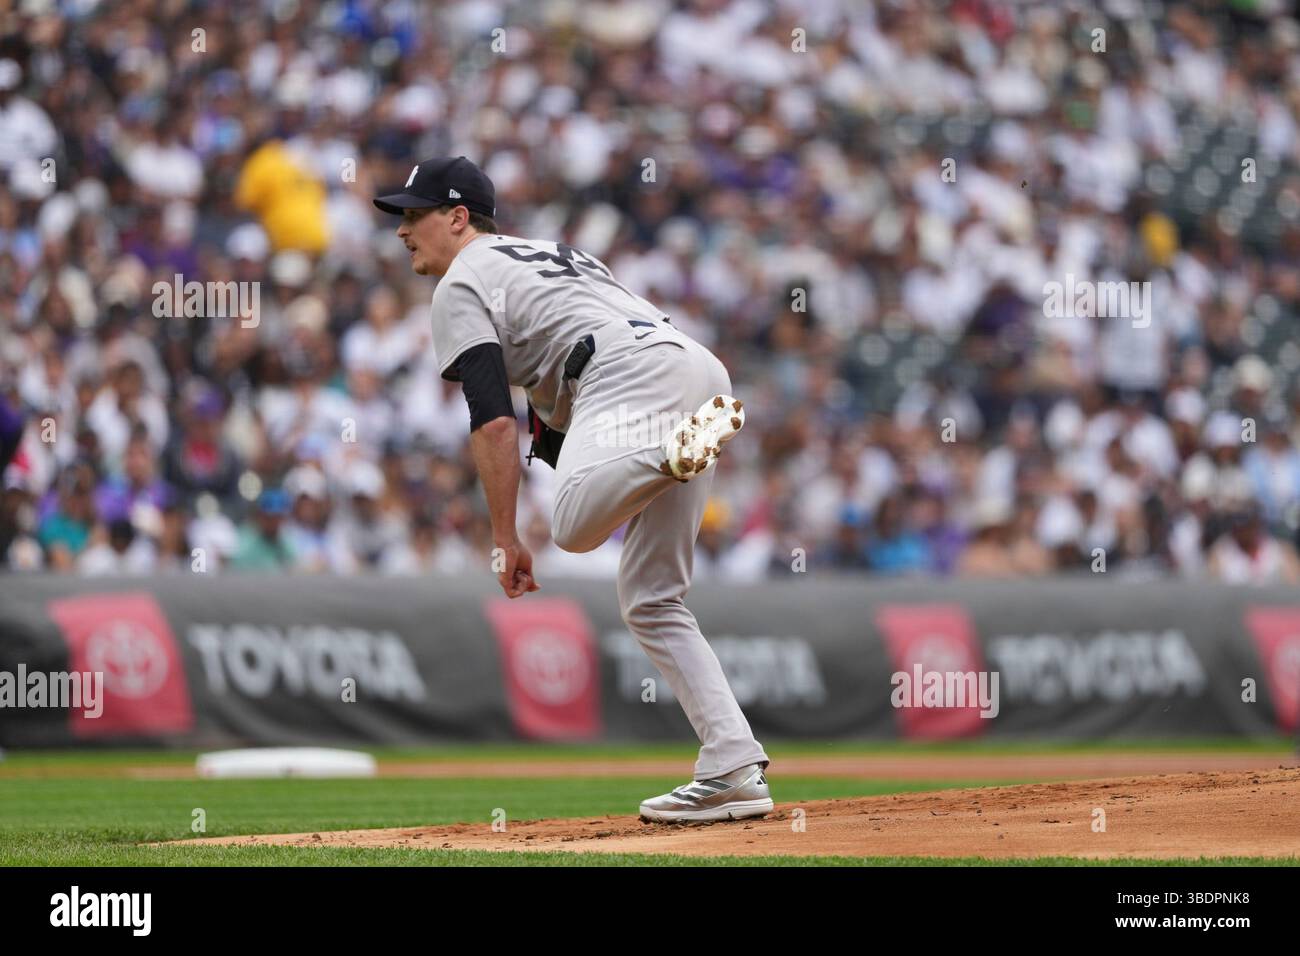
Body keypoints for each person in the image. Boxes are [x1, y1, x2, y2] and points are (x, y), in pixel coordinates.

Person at [374, 156, 771, 822]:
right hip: (696, 368)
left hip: (624, 376)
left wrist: (504, 537)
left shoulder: (461, 281)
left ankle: (669, 456)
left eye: (414, 214)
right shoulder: (555, 253)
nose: (402, 230)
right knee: (651, 598)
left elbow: (492, 420)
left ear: (458, 217)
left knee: (570, 525)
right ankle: (732, 761)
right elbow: (548, 396)